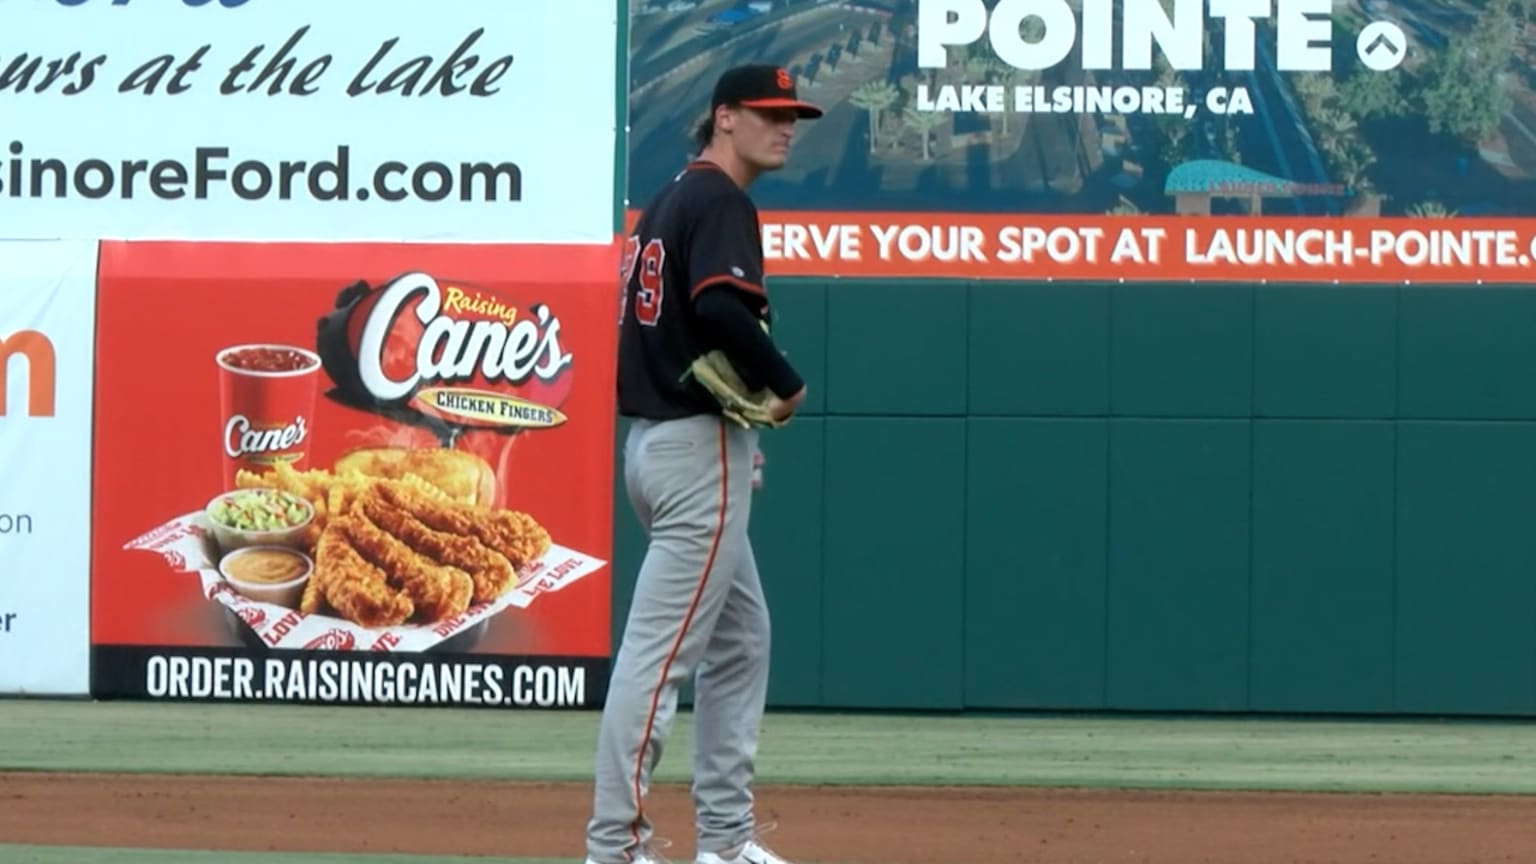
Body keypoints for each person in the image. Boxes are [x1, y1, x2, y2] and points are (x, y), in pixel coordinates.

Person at [584, 64, 821, 864]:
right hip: (695, 449)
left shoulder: (669, 200)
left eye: (793, 115)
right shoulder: (721, 199)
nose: (785, 126)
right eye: (768, 113)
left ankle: (725, 841)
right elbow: (720, 307)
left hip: (655, 448)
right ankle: (613, 847)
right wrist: (784, 383)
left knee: (743, 636)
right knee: (657, 663)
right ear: (724, 117)